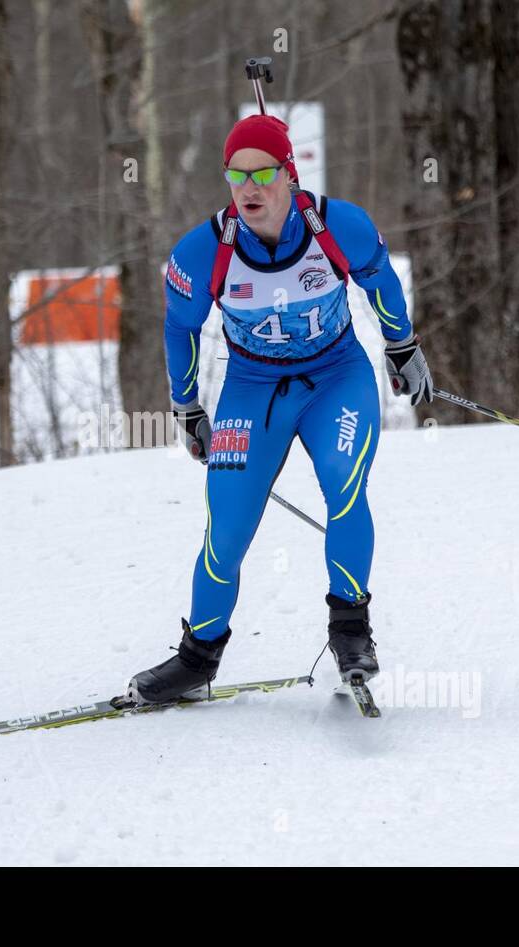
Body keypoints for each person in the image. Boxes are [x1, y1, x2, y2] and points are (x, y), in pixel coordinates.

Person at [127, 114, 433, 704]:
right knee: (228, 526)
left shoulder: (337, 225)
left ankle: (351, 633)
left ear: (289, 175)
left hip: (335, 379)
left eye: (264, 173)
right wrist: (186, 406)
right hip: (251, 388)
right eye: (237, 175)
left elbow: (380, 282)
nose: (250, 188)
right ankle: (198, 658)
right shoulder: (202, 252)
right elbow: (180, 329)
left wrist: (402, 346)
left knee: (345, 486)